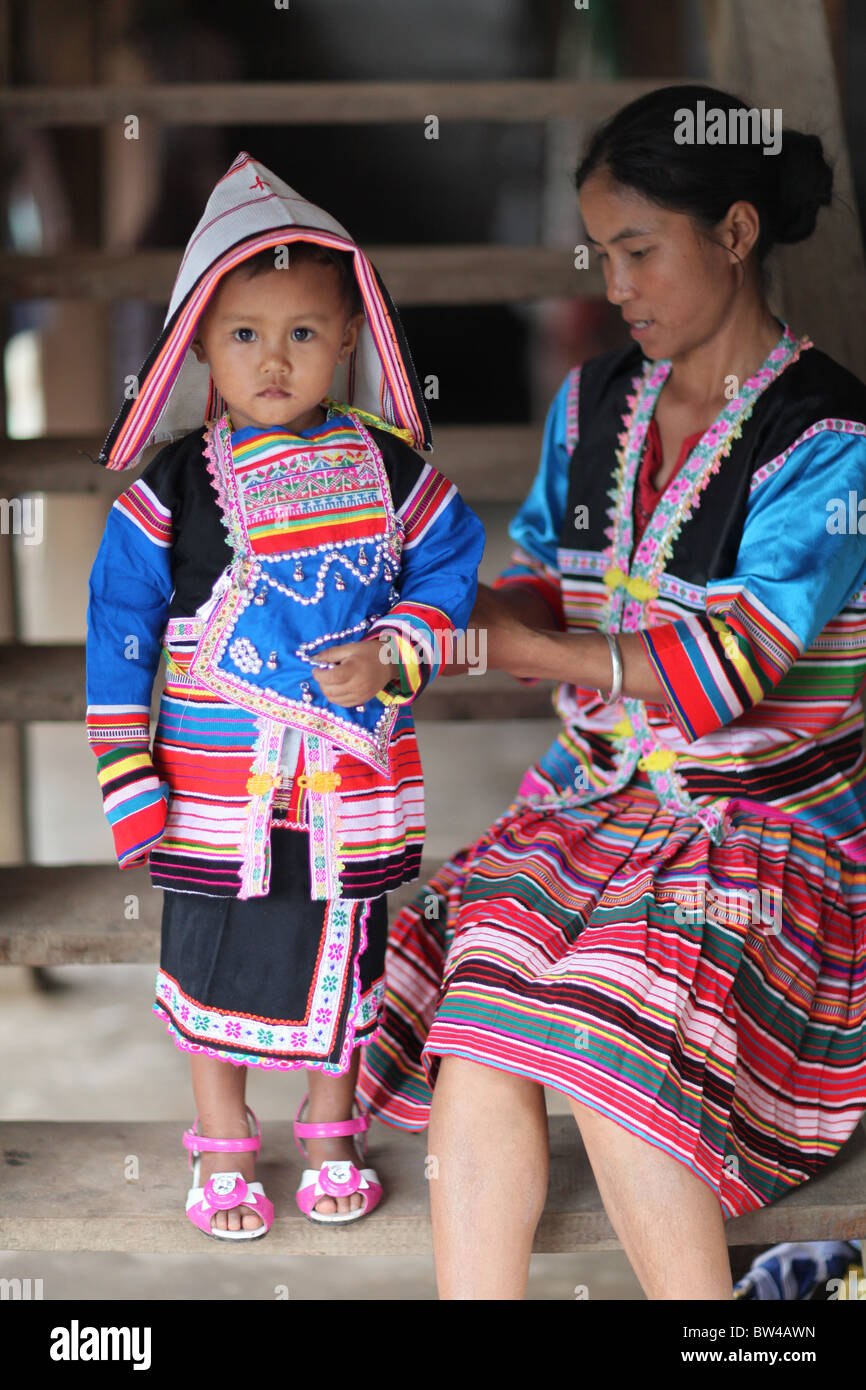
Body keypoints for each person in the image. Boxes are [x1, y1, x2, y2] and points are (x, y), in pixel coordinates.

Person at [357, 84, 866, 1299]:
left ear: (733, 234)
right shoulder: (592, 407)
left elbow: (727, 668)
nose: (616, 283)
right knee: (480, 1035)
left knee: (611, 1038)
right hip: (592, 815)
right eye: (604, 254)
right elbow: (539, 587)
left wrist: (526, 652)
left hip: (771, 839)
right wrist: (434, 620)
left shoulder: (829, 442)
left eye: (638, 249)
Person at [85, 151, 485, 1240]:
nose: (274, 359)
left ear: (349, 338)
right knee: (210, 949)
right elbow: (120, 624)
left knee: (344, 943)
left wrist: (399, 647)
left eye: (303, 332)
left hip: (343, 781)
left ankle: (328, 1127)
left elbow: (450, 561)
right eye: (246, 334)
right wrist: (127, 769)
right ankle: (221, 1144)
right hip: (215, 786)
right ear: (201, 345)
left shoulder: (392, 471)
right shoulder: (172, 486)